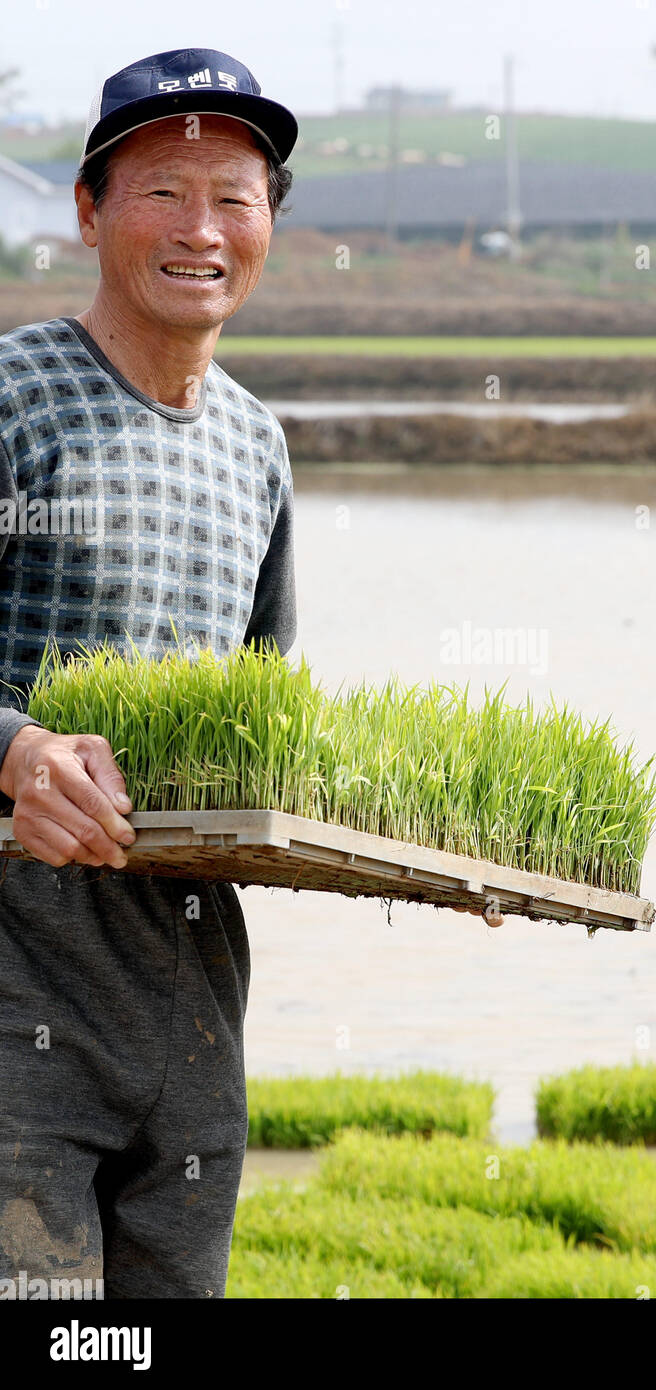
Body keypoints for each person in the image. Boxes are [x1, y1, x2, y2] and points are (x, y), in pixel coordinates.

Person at [0, 48, 299, 1299]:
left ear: (270, 223)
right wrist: (11, 746)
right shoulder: (13, 397)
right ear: (87, 210)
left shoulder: (257, 443)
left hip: (191, 988)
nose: (201, 229)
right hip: (19, 979)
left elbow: (268, 708)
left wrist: (427, 855)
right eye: (161, 191)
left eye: (233, 195)